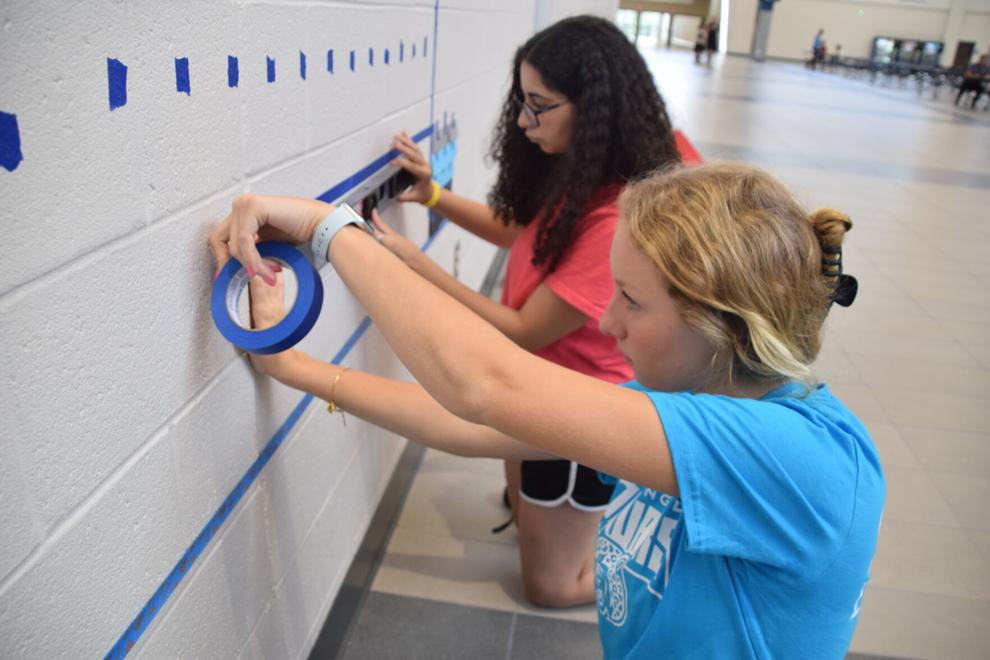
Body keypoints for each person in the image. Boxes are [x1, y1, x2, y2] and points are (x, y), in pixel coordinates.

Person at [208, 161, 884, 657]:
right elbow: (475, 424)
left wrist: (331, 231)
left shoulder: (796, 459)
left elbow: (483, 384)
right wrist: (290, 366)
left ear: (725, 326)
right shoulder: (687, 396)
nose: (607, 322)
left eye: (632, 300)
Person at [348, 15, 685, 608]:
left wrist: (409, 265)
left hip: (581, 407)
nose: (524, 122)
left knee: (550, 589)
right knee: (522, 497)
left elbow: (526, 332)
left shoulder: (614, 217)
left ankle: (677, 576)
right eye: (520, 104)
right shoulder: (579, 169)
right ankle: (572, 523)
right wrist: (431, 195)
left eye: (539, 106)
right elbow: (524, 234)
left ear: (594, 109)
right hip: (537, 388)